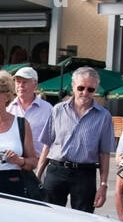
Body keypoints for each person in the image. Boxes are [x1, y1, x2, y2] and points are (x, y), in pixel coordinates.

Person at [35, 66, 115, 212]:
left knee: (83, 221)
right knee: (48, 216)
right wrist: (38, 176)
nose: (85, 92)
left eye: (90, 89)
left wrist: (103, 185)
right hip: (56, 170)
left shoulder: (104, 116)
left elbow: (104, 154)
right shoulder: (57, 110)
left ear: (96, 90)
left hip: (85, 175)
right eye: (81, 88)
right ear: (73, 87)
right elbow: (47, 145)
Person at [8, 66, 54, 155]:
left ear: (35, 84)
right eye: (18, 81)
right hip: (13, 163)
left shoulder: (48, 109)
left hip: (38, 164)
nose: (20, 85)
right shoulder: (8, 108)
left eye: (24, 82)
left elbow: (55, 140)